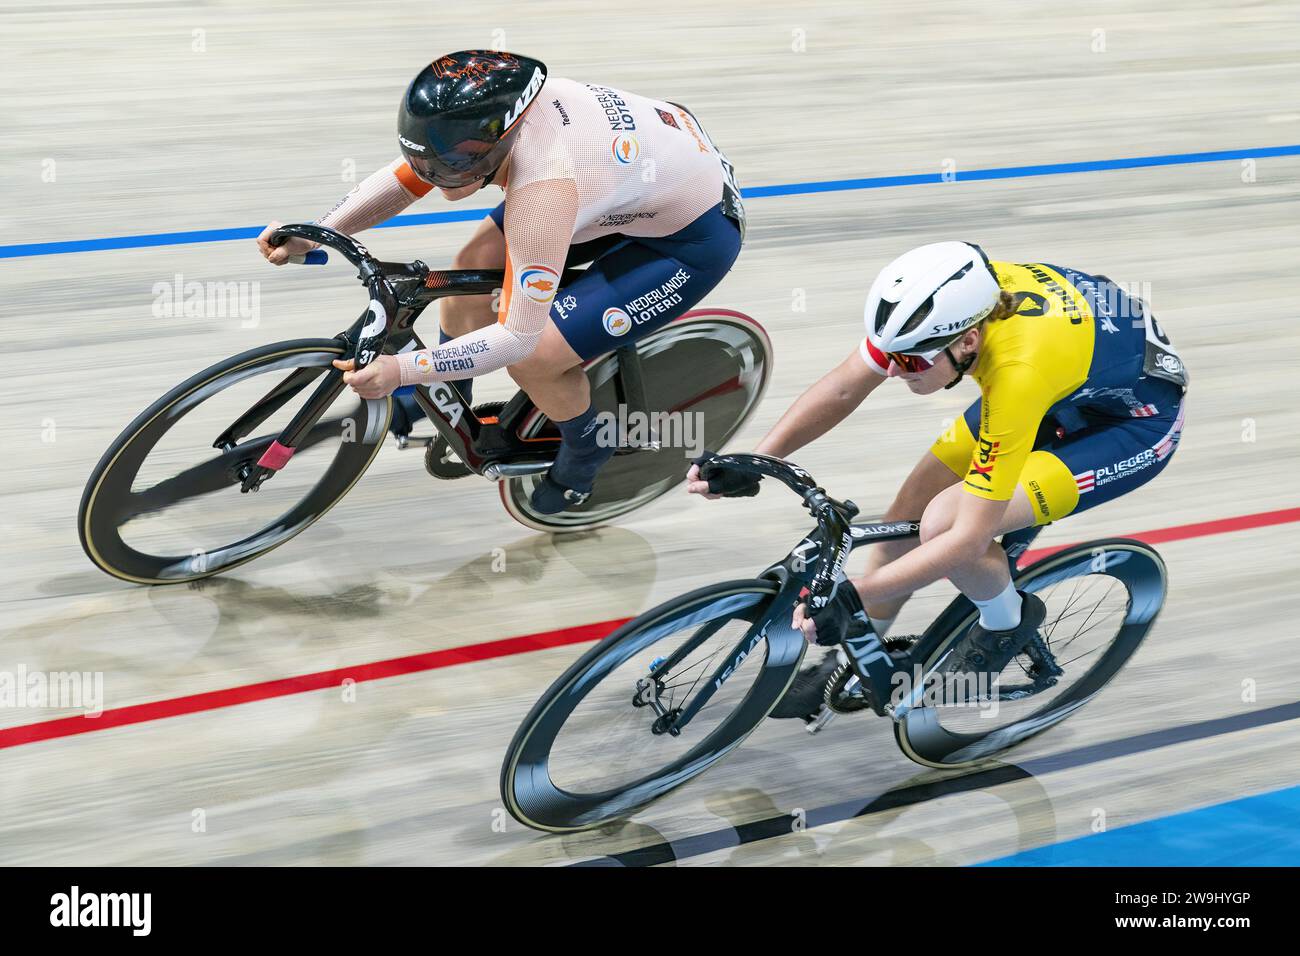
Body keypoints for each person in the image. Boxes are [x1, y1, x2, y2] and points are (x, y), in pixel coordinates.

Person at [688, 241, 1187, 718]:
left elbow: (968, 539)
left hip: (1131, 425)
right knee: (907, 511)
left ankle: (1003, 624)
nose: (897, 371)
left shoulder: (1017, 372)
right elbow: (843, 388)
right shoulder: (935, 317)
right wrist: (756, 460)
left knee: (945, 523)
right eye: (891, 357)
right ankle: (852, 663)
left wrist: (856, 595)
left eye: (910, 362)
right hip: (1068, 382)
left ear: (969, 340)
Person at [257, 50, 745, 513]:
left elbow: (515, 338)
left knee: (538, 358)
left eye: (449, 171)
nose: (434, 178)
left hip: (689, 241)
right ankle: (451, 397)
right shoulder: (485, 127)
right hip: (635, 178)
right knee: (472, 263)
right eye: (429, 162)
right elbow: (409, 176)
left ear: (501, 145)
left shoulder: (542, 191)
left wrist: (403, 372)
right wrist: (321, 232)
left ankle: (586, 449)